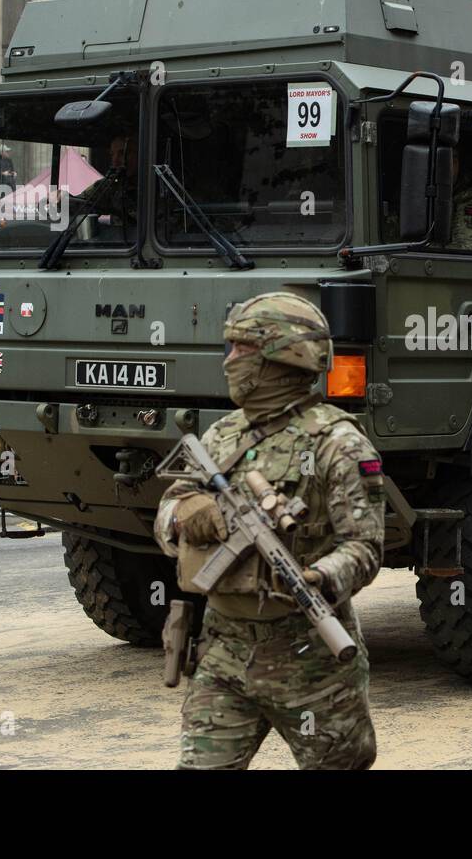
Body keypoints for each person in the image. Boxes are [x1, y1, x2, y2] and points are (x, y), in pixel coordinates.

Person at [154, 291, 383, 770]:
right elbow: (166, 512)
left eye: (242, 349)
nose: (230, 361)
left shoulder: (337, 441)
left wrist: (318, 577)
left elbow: (364, 547)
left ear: (281, 358)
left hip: (311, 660)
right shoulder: (222, 435)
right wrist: (186, 515)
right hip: (224, 649)